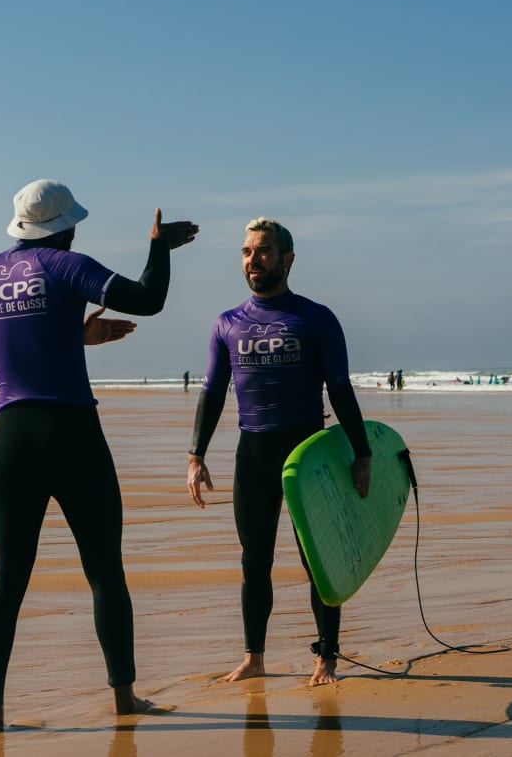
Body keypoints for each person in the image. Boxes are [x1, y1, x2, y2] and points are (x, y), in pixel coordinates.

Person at [0, 179, 198, 732]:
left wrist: (77, 336)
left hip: (12, 438)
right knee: (104, 574)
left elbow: (4, 346)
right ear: (65, 227)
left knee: (5, 580)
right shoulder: (66, 265)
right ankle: (124, 699)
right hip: (72, 434)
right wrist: (159, 248)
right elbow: (149, 299)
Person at [186, 217, 371, 687]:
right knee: (254, 561)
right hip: (254, 456)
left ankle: (326, 658)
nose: (254, 260)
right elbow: (212, 392)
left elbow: (340, 389)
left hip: (308, 454)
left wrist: (362, 453)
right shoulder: (227, 323)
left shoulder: (315, 318)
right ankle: (255, 657)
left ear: (287, 259)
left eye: (264, 251)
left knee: (318, 559)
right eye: (247, 252)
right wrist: (196, 454)